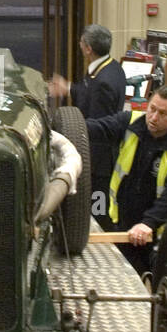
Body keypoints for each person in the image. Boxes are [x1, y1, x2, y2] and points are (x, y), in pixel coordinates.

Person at [85, 84, 167, 270]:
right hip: (124, 226)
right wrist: (65, 125)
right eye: (152, 109)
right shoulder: (131, 122)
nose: (154, 118)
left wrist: (149, 223)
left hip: (161, 236)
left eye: (163, 114)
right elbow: (99, 128)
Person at [48, 24, 127, 226]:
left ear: (88, 49)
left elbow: (97, 124)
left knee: (97, 208)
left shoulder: (103, 82)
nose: (80, 45)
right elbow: (89, 93)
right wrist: (69, 88)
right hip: (100, 157)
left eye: (82, 42)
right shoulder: (112, 68)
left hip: (98, 162)